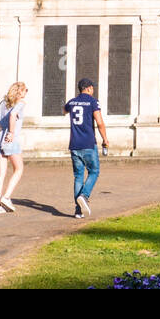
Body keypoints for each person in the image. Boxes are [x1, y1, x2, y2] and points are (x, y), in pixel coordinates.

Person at [64, 77, 109, 218]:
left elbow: (64, 110)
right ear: (89, 88)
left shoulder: (72, 102)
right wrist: (105, 139)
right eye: (92, 88)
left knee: (78, 176)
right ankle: (84, 195)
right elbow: (100, 122)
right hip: (88, 143)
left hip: (74, 144)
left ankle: (78, 211)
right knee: (94, 171)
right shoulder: (93, 102)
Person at [0, 81, 28, 214]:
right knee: (19, 169)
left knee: (1, 174)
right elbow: (12, 115)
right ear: (19, 92)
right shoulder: (21, 103)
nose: (26, 93)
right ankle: (6, 197)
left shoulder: (2, 103)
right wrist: (11, 132)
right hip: (10, 140)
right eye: (24, 90)